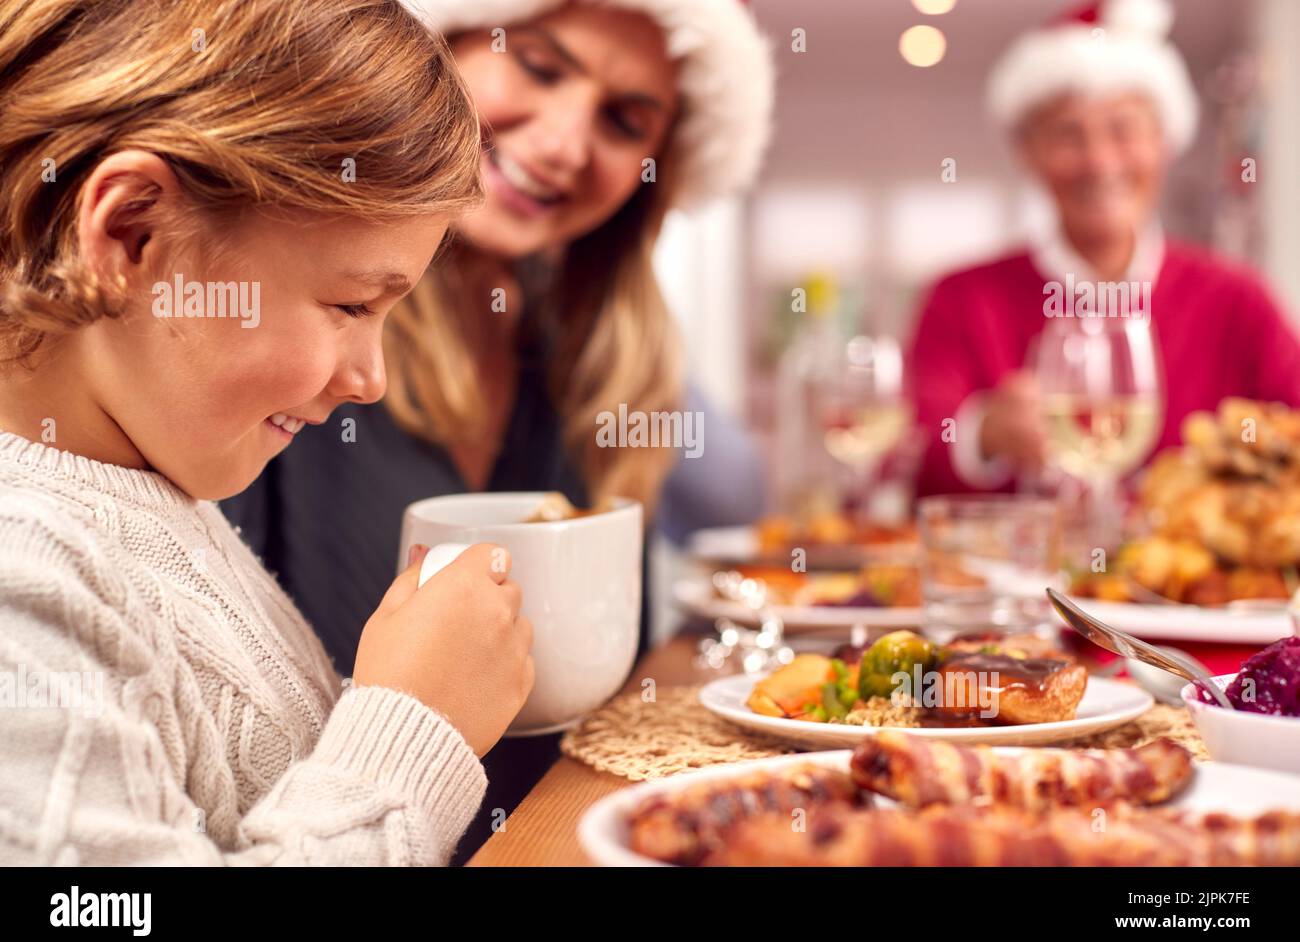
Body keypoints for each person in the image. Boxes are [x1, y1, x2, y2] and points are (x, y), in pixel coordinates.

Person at [220, 0, 773, 861]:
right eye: (541, 68)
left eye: (626, 123)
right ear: (426, 49)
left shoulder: (590, 360)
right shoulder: (283, 335)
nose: (564, 144)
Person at [0, 0, 533, 865]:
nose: (372, 379)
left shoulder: (147, 487)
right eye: (352, 305)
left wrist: (413, 685)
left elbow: (235, 779)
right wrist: (409, 731)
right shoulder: (21, 570)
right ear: (133, 231)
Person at [910, 0, 1300, 497]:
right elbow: (911, 458)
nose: (1099, 161)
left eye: (1123, 129)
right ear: (1027, 153)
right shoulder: (960, 300)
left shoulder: (1240, 301)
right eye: (1069, 134)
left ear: (1163, 140)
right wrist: (981, 434)